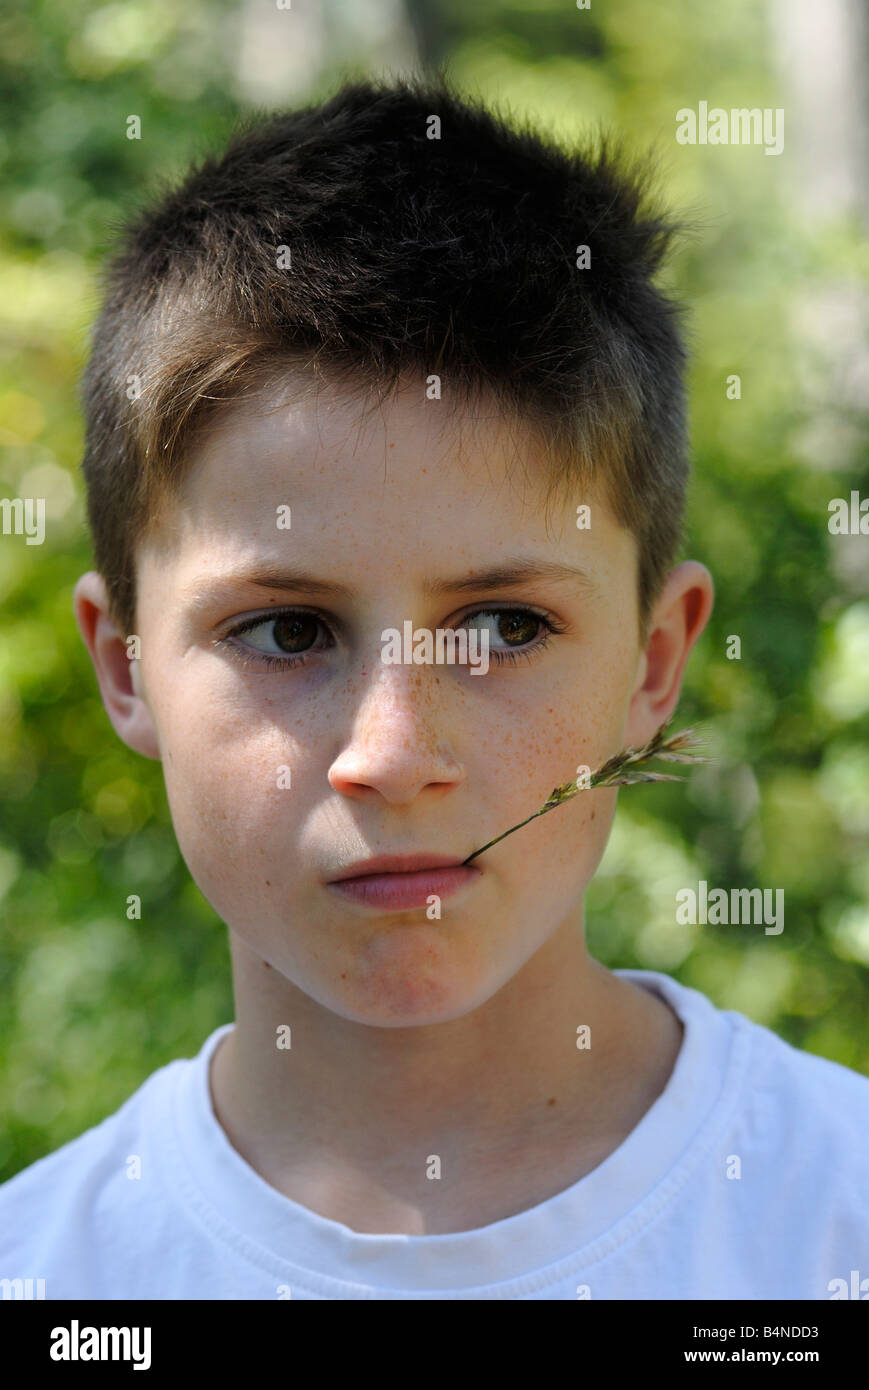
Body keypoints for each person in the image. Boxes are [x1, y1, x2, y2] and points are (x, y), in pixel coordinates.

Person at [2, 73, 866, 1301]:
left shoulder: (832, 1218)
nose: (394, 753)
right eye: (287, 630)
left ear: (654, 659)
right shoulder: (46, 1280)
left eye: (504, 624)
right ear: (125, 663)